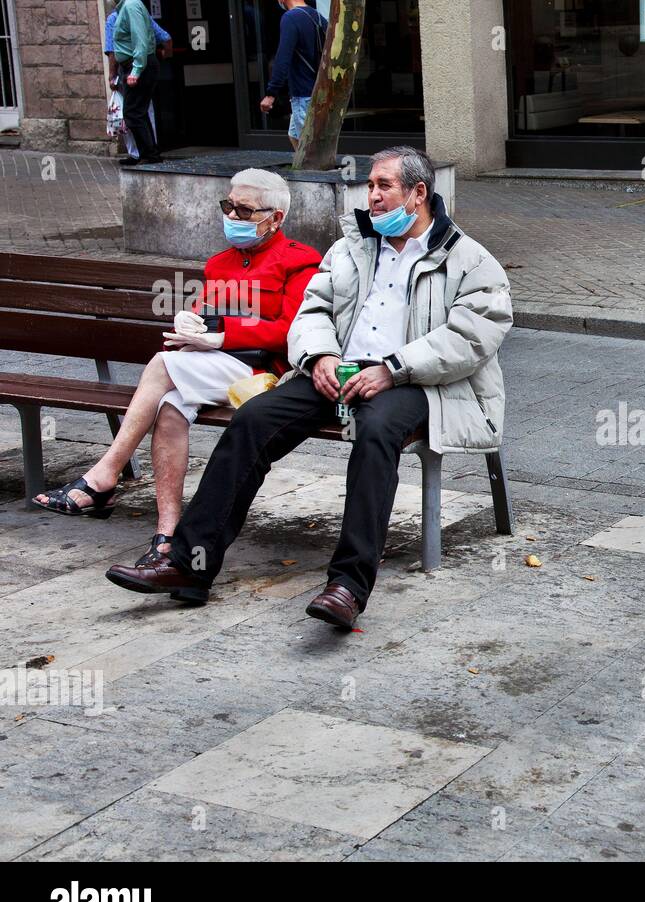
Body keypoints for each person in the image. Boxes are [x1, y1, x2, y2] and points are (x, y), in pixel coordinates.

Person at [105, 147, 513, 629]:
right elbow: (312, 312)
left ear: (418, 193)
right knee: (254, 418)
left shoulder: (468, 258)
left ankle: (348, 585)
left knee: (376, 430)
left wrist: (393, 368)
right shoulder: (351, 247)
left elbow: (471, 337)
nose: (373, 196)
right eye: (371, 187)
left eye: (384, 186)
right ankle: (189, 564)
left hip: (416, 381)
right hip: (337, 371)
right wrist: (319, 356)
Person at [34, 170, 322, 571]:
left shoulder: (300, 260)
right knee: (169, 408)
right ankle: (167, 535)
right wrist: (191, 323)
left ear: (275, 218)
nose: (233, 216)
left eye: (245, 209)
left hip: (261, 375)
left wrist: (222, 338)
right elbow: (207, 313)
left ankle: (104, 475)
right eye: (228, 206)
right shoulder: (219, 262)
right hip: (212, 367)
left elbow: (293, 331)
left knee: (162, 364)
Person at [260, 0, 328, 150]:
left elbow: (283, 57)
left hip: (303, 93)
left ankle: (310, 173)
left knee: (309, 149)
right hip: (318, 90)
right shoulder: (317, 16)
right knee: (294, 136)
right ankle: (304, 168)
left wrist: (271, 93)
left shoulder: (290, 17)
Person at [111, 0, 164, 165]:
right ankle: (148, 154)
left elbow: (140, 39)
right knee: (138, 112)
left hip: (139, 65)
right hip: (137, 64)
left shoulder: (131, 6)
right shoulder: (126, 7)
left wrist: (136, 70)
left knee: (132, 113)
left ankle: (151, 156)